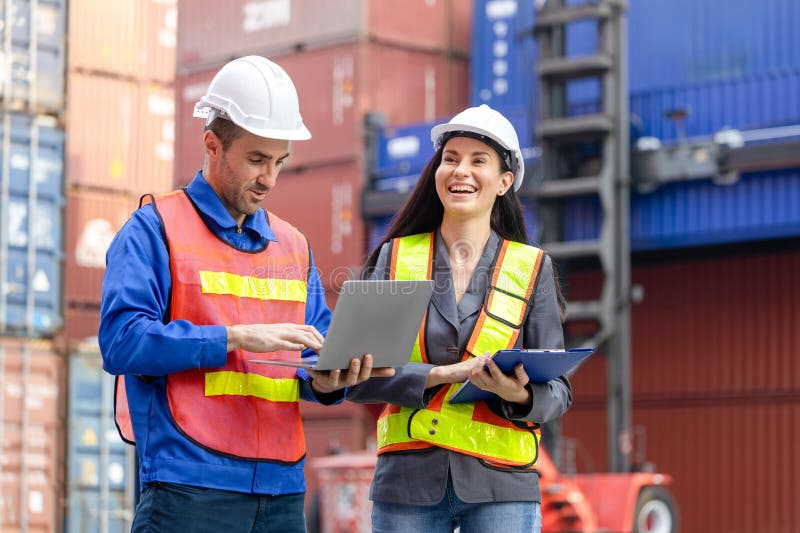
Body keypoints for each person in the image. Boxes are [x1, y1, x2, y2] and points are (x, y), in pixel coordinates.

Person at [99, 55, 391, 533]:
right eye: (256, 159)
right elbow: (121, 342)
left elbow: (310, 364)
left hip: (281, 490)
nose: (269, 179)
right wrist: (233, 337)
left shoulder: (294, 245)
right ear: (212, 145)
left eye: (280, 162)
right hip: (190, 488)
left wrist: (333, 379)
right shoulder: (154, 230)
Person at [347, 104, 571, 533]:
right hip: (408, 483)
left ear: (505, 181)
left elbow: (558, 391)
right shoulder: (397, 257)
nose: (460, 170)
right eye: (450, 159)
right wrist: (443, 373)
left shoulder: (532, 268)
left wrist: (520, 396)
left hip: (500, 485)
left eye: (477, 161)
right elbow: (356, 377)